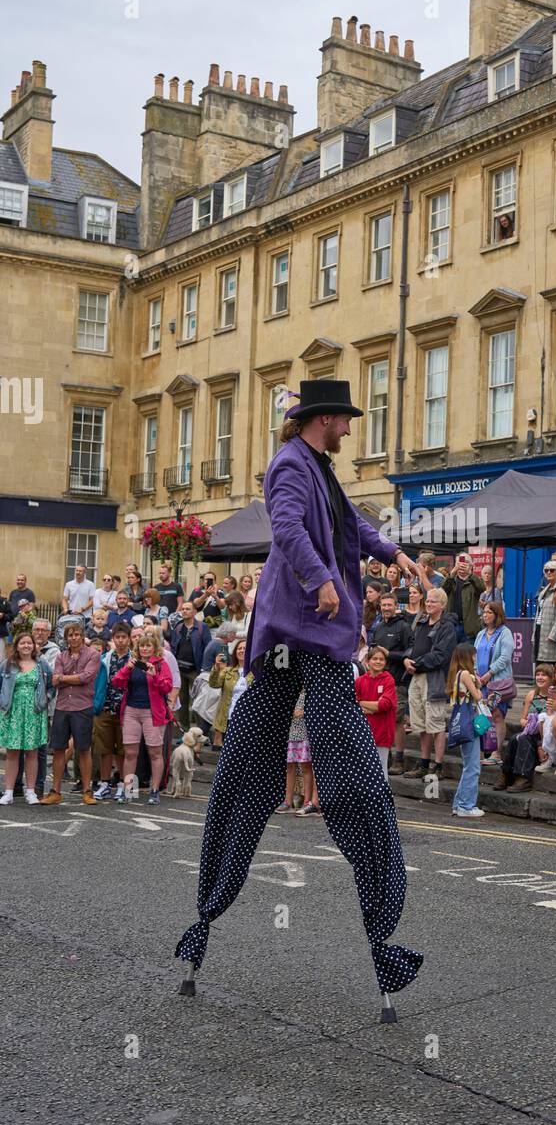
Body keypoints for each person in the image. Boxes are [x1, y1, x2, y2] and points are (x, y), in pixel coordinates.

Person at [175, 377, 424, 1000]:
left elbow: (350, 530)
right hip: (297, 638)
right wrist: (321, 581)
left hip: (316, 640)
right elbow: (287, 531)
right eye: (346, 417)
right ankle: (209, 910)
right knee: (253, 774)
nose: (351, 426)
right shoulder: (290, 465)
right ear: (324, 418)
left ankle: (381, 926)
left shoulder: (320, 466)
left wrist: (393, 554)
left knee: (353, 777)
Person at [40, 623, 101, 806]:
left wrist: (64, 678)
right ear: (66, 638)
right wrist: (68, 679)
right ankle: (55, 791)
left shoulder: (93, 655)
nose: (73, 638)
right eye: (70, 635)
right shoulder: (60, 656)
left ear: (82, 636)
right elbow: (54, 680)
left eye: (77, 634)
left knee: (83, 749)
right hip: (63, 706)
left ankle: (87, 790)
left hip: (83, 707)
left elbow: (86, 677)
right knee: (59, 749)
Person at [111, 627, 173, 805]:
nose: (145, 649)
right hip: (131, 710)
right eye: (142, 646)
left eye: (148, 646)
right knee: (130, 752)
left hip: (152, 713)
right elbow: (117, 682)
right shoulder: (133, 663)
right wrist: (127, 669)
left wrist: (154, 676)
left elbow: (167, 687)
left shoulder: (161, 664)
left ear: (154, 648)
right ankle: (129, 790)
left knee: (154, 751)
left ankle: (154, 790)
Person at [404, 587, 458, 779]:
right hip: (416, 676)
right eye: (427, 600)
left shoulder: (446, 627)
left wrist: (416, 664)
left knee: (436, 723)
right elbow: (411, 645)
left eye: (433, 601)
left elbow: (442, 655)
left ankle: (438, 764)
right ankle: (424, 762)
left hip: (434, 678)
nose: (428, 603)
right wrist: (406, 659)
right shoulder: (421, 621)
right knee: (420, 724)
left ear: (442, 605)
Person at [0, 630, 54, 805]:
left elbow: (52, 684)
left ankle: (31, 791)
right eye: (22, 643)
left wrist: (46, 699)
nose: (26, 646)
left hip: (35, 713)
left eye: (29, 643)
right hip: (13, 713)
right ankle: (8, 792)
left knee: (32, 753)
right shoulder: (7, 664)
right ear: (16, 645)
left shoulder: (41, 664)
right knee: (12, 753)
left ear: (34, 646)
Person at [13, 618, 60, 799]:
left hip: (41, 709)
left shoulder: (53, 652)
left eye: (43, 630)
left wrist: (44, 700)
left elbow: (52, 680)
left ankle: (38, 786)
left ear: (49, 633)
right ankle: (16, 785)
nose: (39, 633)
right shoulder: (20, 653)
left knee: (38, 749)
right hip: (19, 709)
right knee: (16, 747)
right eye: (36, 630)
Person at [493, 664, 556, 792]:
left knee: (524, 739)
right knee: (513, 738)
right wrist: (526, 722)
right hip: (530, 731)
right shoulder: (531, 694)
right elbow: (522, 718)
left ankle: (524, 778)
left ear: (551, 678)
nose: (540, 677)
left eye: (544, 675)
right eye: (538, 674)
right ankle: (506, 774)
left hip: (546, 735)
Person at [369, 593, 412, 774]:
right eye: (384, 605)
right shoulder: (378, 627)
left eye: (389, 605)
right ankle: (387, 758)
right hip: (378, 681)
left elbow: (410, 651)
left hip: (397, 681)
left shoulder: (403, 626)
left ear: (396, 606)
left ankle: (399, 760)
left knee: (397, 721)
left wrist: (390, 654)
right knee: (380, 721)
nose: (386, 608)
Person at [91, 622, 133, 801]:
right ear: (113, 639)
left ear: (129, 639)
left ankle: (124, 785)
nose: (121, 640)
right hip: (105, 708)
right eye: (118, 637)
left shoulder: (134, 659)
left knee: (123, 750)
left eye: (124, 637)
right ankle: (105, 783)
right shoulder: (105, 659)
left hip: (127, 711)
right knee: (105, 748)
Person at [445, 644, 486, 819]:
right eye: (474, 655)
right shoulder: (466, 674)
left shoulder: (456, 674)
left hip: (461, 722)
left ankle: (459, 803)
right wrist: (478, 684)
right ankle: (466, 805)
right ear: (468, 657)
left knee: (468, 765)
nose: (476, 658)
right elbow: (478, 696)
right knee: (473, 767)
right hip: (469, 723)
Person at [474, 602, 515, 761]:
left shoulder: (505, 633)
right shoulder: (481, 634)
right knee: (481, 715)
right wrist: (476, 673)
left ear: (497, 615)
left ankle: (496, 753)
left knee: (497, 714)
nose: (485, 615)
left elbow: (505, 658)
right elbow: (474, 656)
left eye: (489, 612)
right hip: (481, 682)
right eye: (484, 612)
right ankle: (481, 751)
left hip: (497, 682)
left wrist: (489, 673)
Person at [356, 644, 397, 779]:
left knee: (380, 770)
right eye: (375, 659)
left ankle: (382, 799)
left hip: (382, 733)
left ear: (385, 662)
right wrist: (370, 707)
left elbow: (384, 705)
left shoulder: (388, 680)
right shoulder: (360, 681)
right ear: (367, 661)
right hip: (363, 732)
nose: (378, 661)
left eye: (381, 659)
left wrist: (362, 703)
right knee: (364, 771)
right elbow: (353, 705)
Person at [276, 687, 319, 816]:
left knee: (306, 767)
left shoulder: (311, 693)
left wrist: (304, 711)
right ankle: (287, 801)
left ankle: (307, 801)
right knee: (290, 767)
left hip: (306, 735)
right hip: (291, 734)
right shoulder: (291, 691)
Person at [170, 601, 212, 730]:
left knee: (198, 702)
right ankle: (184, 730)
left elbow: (208, 648)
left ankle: (200, 732)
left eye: (187, 609)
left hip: (196, 670)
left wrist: (205, 669)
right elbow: (173, 647)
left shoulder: (202, 627)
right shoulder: (178, 627)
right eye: (182, 609)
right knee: (182, 701)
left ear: (194, 612)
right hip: (179, 670)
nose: (184, 611)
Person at [208, 638, 247, 748]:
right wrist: (216, 667)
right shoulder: (228, 670)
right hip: (229, 717)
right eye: (239, 648)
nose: (242, 650)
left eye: (245, 648)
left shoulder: (255, 672)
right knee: (229, 750)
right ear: (235, 652)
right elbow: (214, 684)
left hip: (246, 718)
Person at [442, 554, 485, 642]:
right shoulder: (451, 580)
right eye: (460, 563)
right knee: (451, 654)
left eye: (466, 563)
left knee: (467, 654)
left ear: (471, 565)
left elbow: (481, 588)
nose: (462, 565)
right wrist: (452, 573)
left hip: (468, 628)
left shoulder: (474, 580)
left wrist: (470, 574)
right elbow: (442, 590)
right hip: (451, 625)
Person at [533, 560, 556, 666]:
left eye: (552, 570)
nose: (548, 573)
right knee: (539, 662)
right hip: (539, 629)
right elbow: (539, 613)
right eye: (546, 570)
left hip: (550, 633)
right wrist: (534, 633)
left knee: (550, 663)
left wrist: (553, 635)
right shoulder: (544, 591)